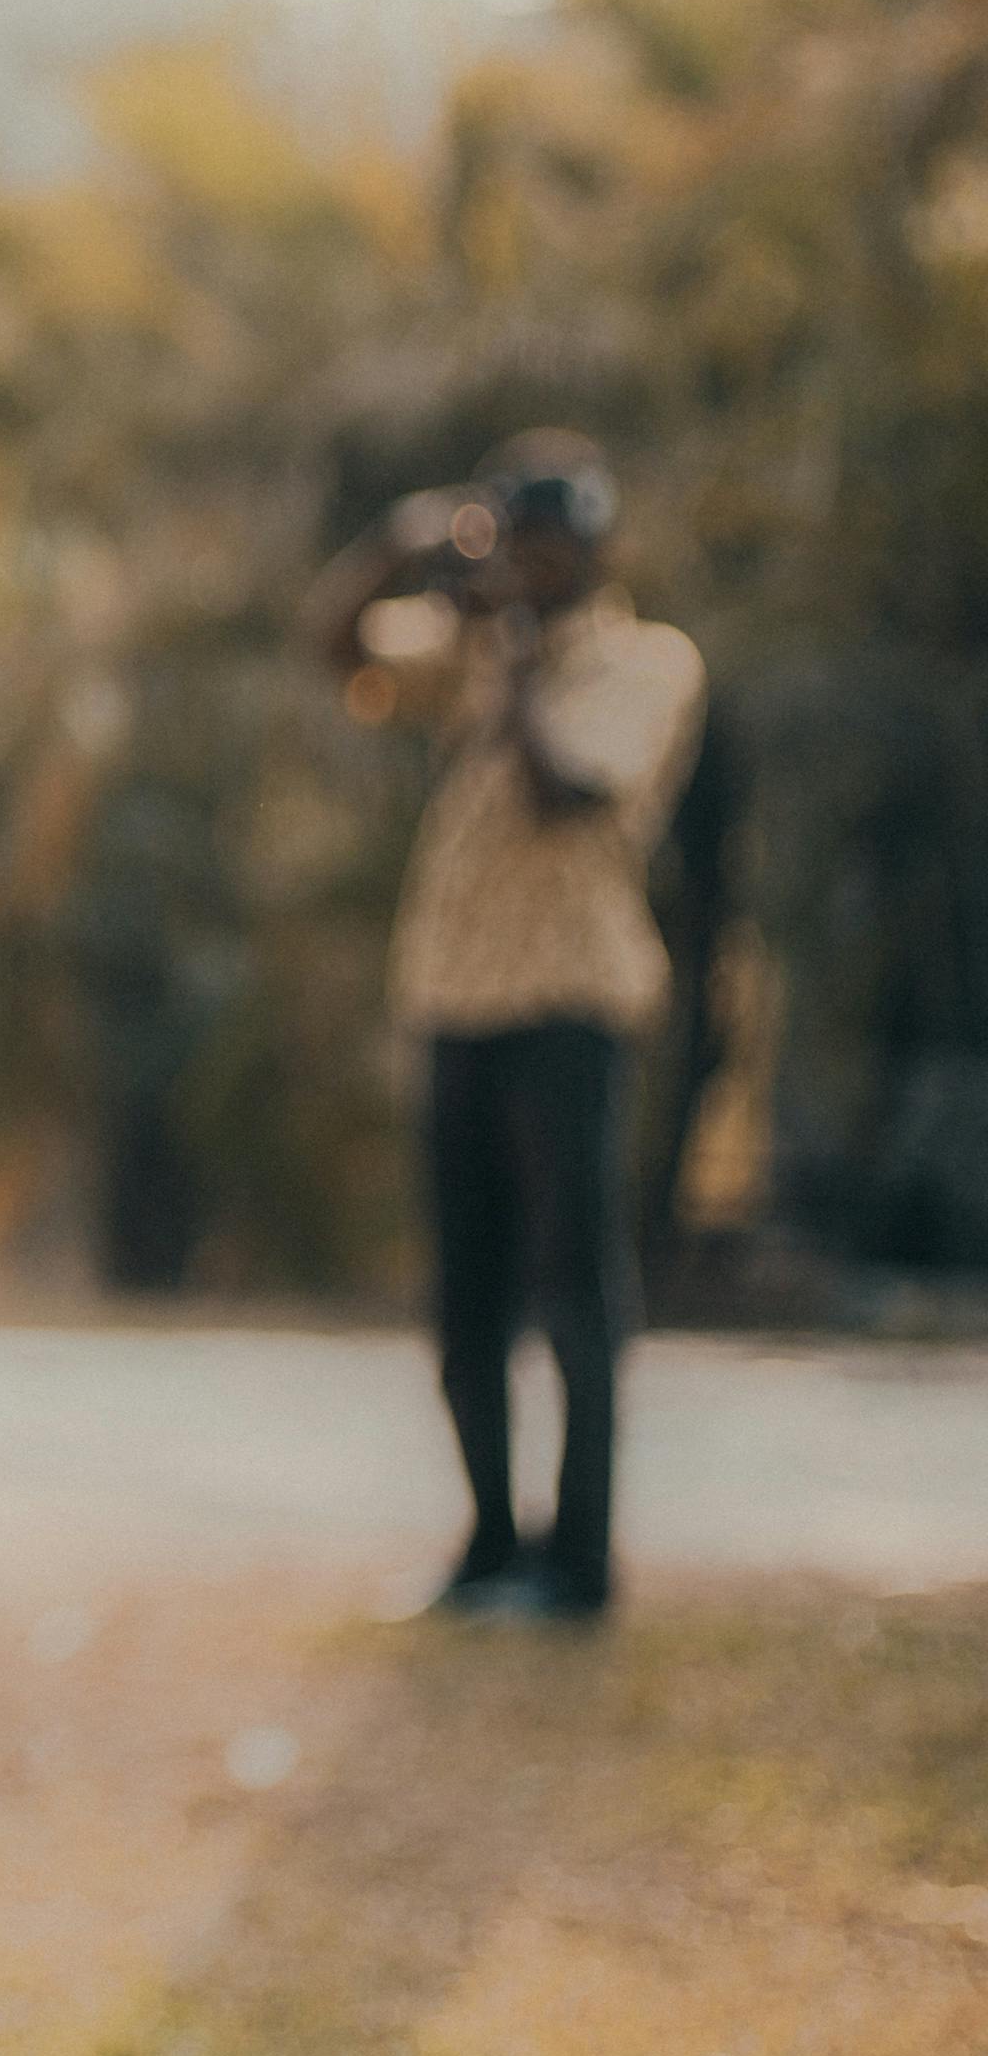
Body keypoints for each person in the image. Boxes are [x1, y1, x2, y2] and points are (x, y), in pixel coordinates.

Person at [310, 434, 706, 1621]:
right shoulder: (470, 653)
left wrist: (522, 652)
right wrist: (399, 545)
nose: (525, 568)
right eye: (510, 544)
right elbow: (331, 651)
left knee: (574, 1292)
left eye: (545, 548)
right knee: (466, 1296)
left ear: (592, 550)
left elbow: (567, 793)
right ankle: (488, 1547)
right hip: (455, 1001)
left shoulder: (646, 660)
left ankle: (578, 1566)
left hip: (571, 1007)